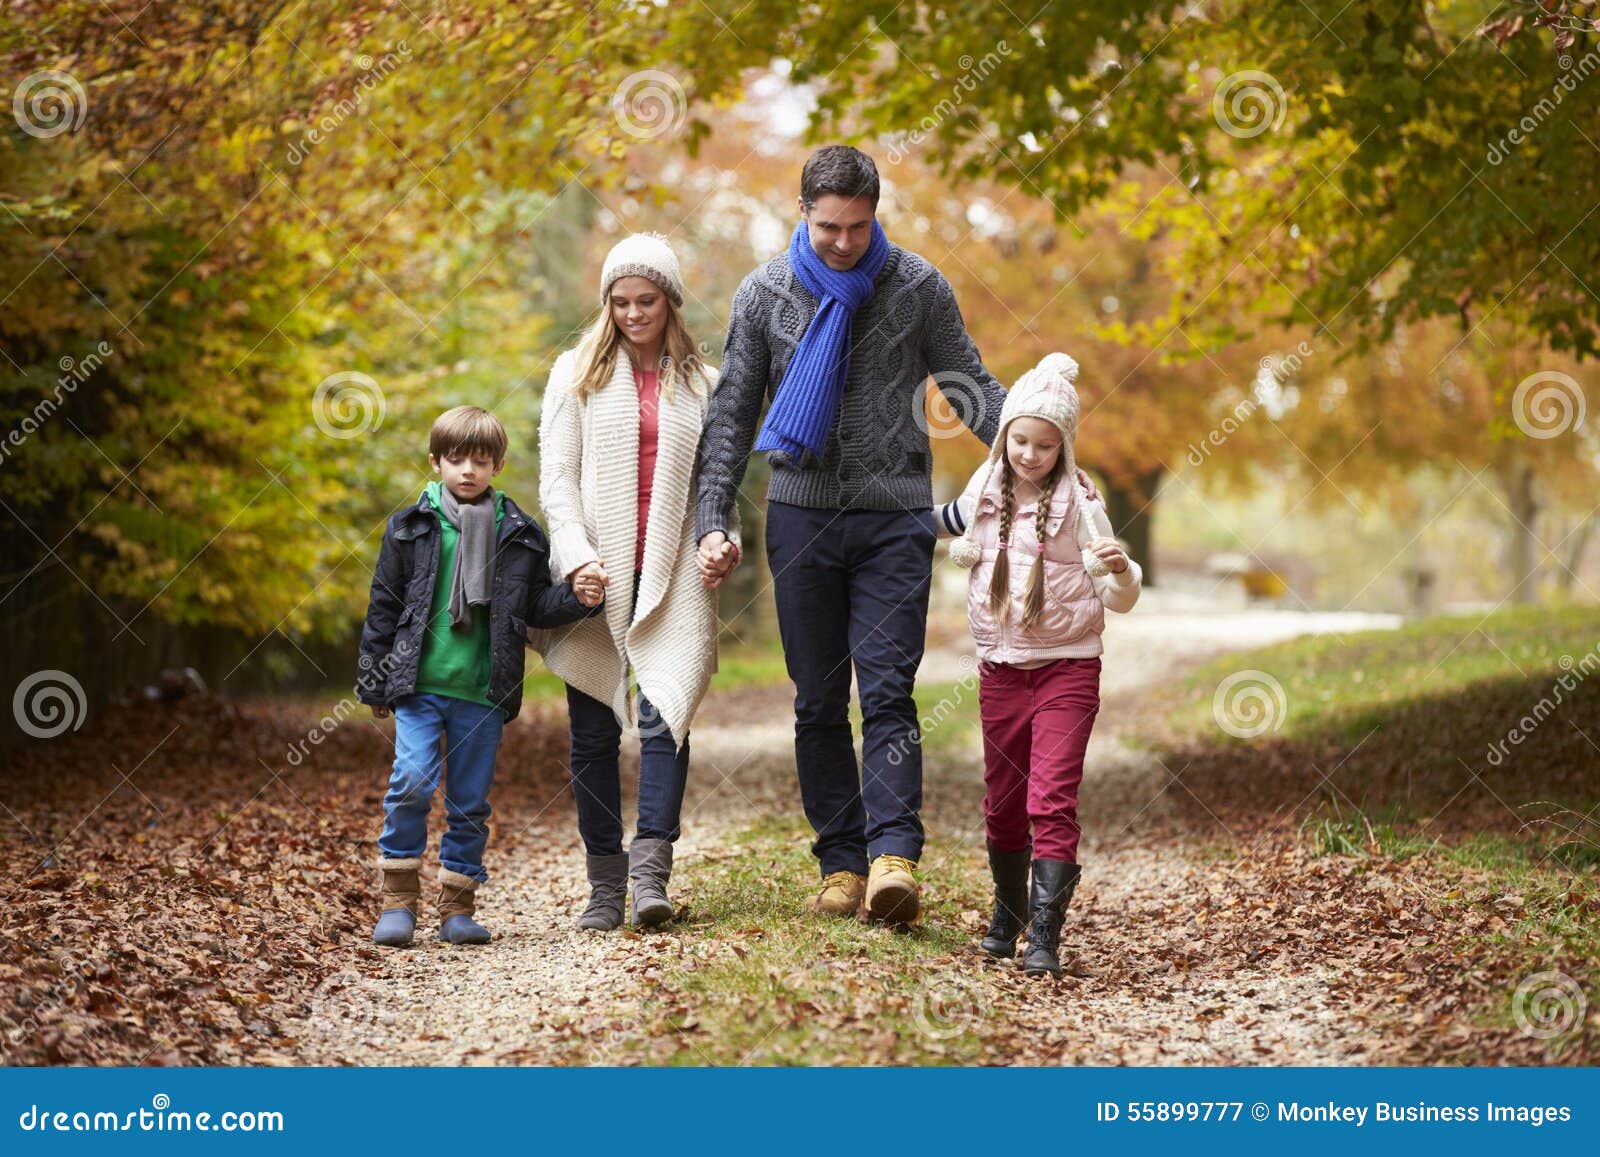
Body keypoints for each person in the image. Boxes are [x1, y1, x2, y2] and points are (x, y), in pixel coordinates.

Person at [693, 144, 1098, 923]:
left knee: (886, 690)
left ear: (875, 214)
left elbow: (971, 384)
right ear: (802, 215)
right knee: (816, 699)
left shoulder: (916, 286)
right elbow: (732, 414)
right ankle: (839, 863)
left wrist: (1041, 446)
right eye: (827, 227)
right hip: (801, 517)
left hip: (895, 521)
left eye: (856, 225)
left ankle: (892, 857)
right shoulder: (762, 294)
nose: (843, 241)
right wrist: (715, 517)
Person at [534, 233, 735, 930]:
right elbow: (557, 481)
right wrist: (575, 553)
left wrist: (722, 540)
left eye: (645, 300)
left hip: (675, 570)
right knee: (591, 731)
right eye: (619, 301)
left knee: (664, 717)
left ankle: (651, 873)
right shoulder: (575, 374)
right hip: (597, 571)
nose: (632, 313)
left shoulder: (703, 386)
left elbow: (719, 489)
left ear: (671, 301)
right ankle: (603, 884)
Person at [357, 405, 598, 947]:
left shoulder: (521, 535)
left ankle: (457, 907)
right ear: (436, 461)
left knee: (469, 801)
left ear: (499, 466)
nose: (468, 470)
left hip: (483, 691)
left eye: (481, 460)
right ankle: (398, 898)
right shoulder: (410, 527)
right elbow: (383, 606)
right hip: (419, 686)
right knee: (412, 782)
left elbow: (534, 605)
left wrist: (577, 599)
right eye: (456, 458)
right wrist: (374, 681)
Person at [934, 353, 1141, 977]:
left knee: (1050, 800)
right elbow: (942, 533)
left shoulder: (1082, 507)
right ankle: (1009, 912)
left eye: (1045, 445)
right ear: (1003, 437)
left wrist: (1121, 569)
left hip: (1067, 668)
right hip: (1000, 667)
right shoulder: (983, 489)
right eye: (1019, 439)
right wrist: (952, 551)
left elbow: (1123, 598)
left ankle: (1045, 936)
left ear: (1064, 448)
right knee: (1002, 800)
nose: (1029, 454)